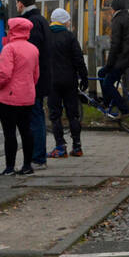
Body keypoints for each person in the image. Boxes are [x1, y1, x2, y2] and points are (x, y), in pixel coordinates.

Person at [0, 16, 40, 175]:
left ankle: (10, 167)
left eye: (8, 28)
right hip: (27, 96)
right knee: (26, 131)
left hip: (8, 98)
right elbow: (36, 75)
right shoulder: (33, 49)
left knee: (9, 133)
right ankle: (27, 165)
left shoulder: (9, 49)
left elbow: (4, 74)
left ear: (12, 30)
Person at [15, 0, 53, 168]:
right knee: (36, 115)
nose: (16, 7)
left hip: (34, 79)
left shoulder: (31, 23)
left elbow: (30, 54)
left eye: (17, 4)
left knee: (35, 117)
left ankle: (38, 157)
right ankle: (38, 155)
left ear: (21, 4)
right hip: (42, 76)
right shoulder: (42, 20)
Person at [46, 8, 89, 157]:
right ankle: (77, 147)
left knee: (55, 114)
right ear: (64, 21)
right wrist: (84, 78)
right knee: (73, 114)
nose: (69, 23)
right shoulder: (70, 36)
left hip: (51, 82)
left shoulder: (46, 36)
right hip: (69, 81)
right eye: (68, 20)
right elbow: (78, 59)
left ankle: (60, 147)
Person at [99, 0, 129, 115]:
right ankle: (108, 103)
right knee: (101, 73)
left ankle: (123, 109)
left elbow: (115, 45)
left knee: (107, 82)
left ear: (114, 9)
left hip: (122, 59)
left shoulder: (117, 20)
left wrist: (109, 64)